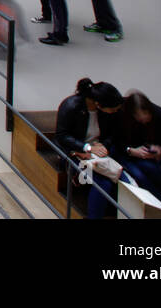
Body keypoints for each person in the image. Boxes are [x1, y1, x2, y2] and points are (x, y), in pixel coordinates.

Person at [54, 78, 124, 218]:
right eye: (112, 109)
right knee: (102, 183)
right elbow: (62, 136)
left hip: (99, 154)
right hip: (73, 152)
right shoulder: (71, 106)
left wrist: (104, 145)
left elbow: (112, 134)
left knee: (121, 179)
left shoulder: (106, 112)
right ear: (99, 104)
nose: (114, 112)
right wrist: (86, 148)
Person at [115, 91, 161, 216]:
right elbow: (116, 143)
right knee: (140, 176)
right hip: (126, 154)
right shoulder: (121, 116)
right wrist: (131, 150)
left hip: (147, 155)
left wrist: (157, 149)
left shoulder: (159, 114)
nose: (143, 118)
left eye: (145, 113)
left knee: (151, 168)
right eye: (138, 116)